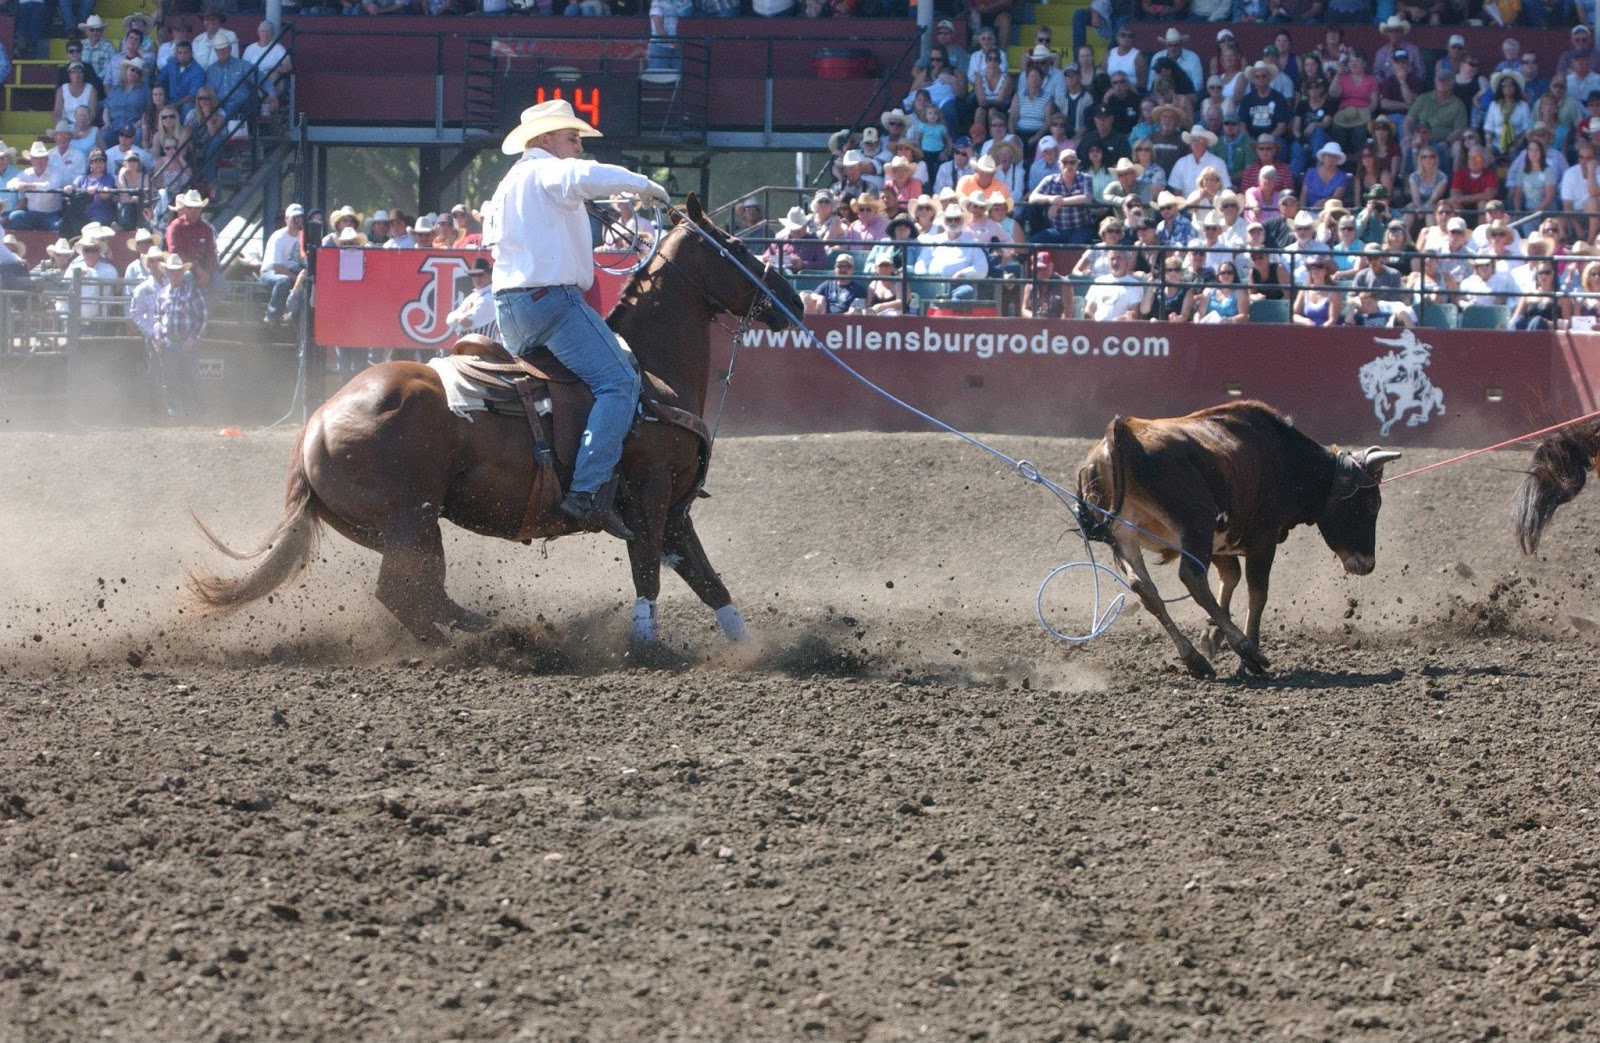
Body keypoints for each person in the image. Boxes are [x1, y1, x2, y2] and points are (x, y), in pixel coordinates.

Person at [487, 99, 669, 540]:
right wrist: (644, 186)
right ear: (545, 139)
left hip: (510, 308)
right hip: (552, 303)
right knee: (618, 381)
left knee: (553, 388)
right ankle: (587, 491)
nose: (579, 145)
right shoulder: (546, 171)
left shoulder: (508, 184)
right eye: (572, 137)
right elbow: (583, 175)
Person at [151, 253, 209, 421]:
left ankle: (202, 412)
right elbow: (156, 318)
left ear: (182, 272)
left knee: (193, 379)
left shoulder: (192, 292)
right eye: (171, 271)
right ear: (167, 273)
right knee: (170, 381)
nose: (174, 274)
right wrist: (157, 338)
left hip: (186, 342)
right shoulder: (162, 293)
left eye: (177, 271)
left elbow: (202, 317)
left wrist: (192, 338)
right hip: (168, 342)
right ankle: (174, 414)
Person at [6, 142, 67, 231]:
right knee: (14, 217)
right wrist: (18, 185)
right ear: (31, 161)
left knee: (58, 226)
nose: (39, 161)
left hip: (51, 214)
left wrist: (31, 186)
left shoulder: (55, 173)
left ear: (47, 159)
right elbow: (10, 183)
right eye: (36, 158)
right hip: (30, 213)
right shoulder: (26, 173)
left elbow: (50, 185)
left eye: (42, 158)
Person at [262, 202, 305, 326]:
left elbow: (305, 261)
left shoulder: (303, 236)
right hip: (270, 273)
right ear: (286, 219)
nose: (297, 220)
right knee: (284, 280)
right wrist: (297, 278)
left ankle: (294, 315)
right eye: (294, 218)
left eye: (300, 217)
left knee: (309, 278)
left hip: (292, 271)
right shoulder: (278, 237)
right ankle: (272, 315)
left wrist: (302, 276)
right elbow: (277, 267)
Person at [166, 189, 219, 287]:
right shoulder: (175, 227)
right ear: (184, 208)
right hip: (182, 268)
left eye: (197, 207)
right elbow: (175, 252)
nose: (193, 210)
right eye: (190, 207)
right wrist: (197, 269)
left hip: (204, 268)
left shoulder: (206, 228)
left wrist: (207, 272)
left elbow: (212, 252)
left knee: (221, 286)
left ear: (200, 209)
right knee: (188, 277)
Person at [1083, 245, 1145, 320]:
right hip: (1097, 326)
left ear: (1126, 261)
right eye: (1112, 259)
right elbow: (1089, 309)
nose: (1115, 262)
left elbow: (1134, 314)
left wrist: (1118, 320)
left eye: (1118, 258)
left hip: (1120, 326)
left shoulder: (1134, 284)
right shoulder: (1099, 281)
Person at [802, 252, 868, 314]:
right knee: (804, 296)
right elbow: (813, 295)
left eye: (847, 266)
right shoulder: (828, 284)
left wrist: (835, 320)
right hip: (823, 319)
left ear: (852, 269)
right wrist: (820, 298)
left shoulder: (859, 290)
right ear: (835, 268)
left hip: (846, 320)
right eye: (840, 266)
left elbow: (854, 313)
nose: (843, 270)